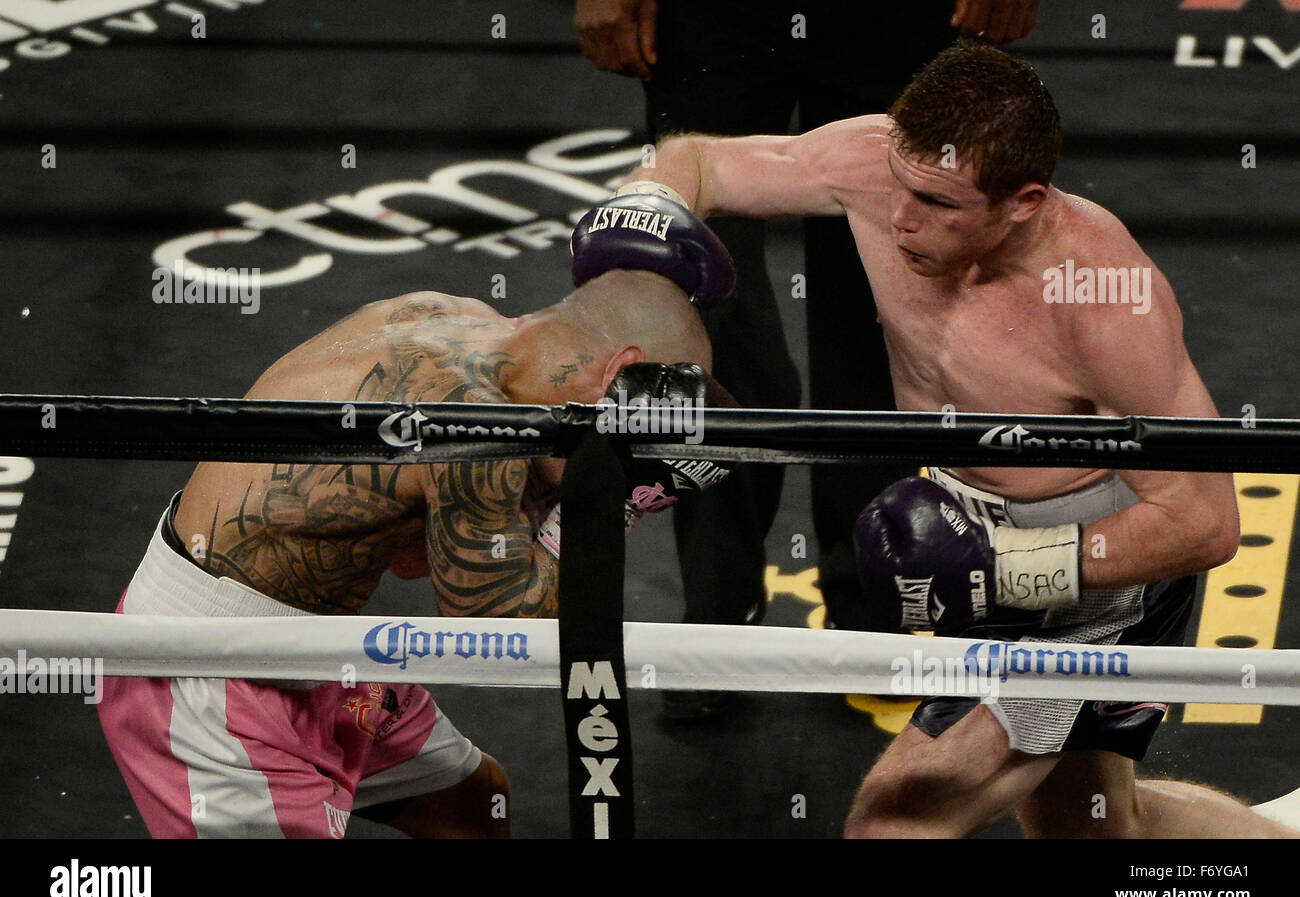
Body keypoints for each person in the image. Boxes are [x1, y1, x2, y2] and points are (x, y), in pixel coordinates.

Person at [575, 42, 1296, 837]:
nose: (902, 217)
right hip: (963, 525)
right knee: (1088, 823)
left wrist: (1005, 568)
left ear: (1023, 201)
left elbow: (1205, 519)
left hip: (1094, 574)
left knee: (895, 821)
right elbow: (700, 163)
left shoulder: (1103, 298)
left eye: (940, 205)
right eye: (900, 187)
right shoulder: (876, 164)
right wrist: (645, 215)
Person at [96, 215, 736, 838]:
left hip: (322, 644)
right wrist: (617, 500)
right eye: (656, 402)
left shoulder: (450, 318)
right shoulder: (476, 424)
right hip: (209, 667)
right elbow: (506, 636)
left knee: (470, 804)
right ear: (620, 372)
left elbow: (411, 554)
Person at [576, 0, 1040, 721]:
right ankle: (716, 624)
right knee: (707, 312)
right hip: (714, 19)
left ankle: (875, 605)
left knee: (889, 294)